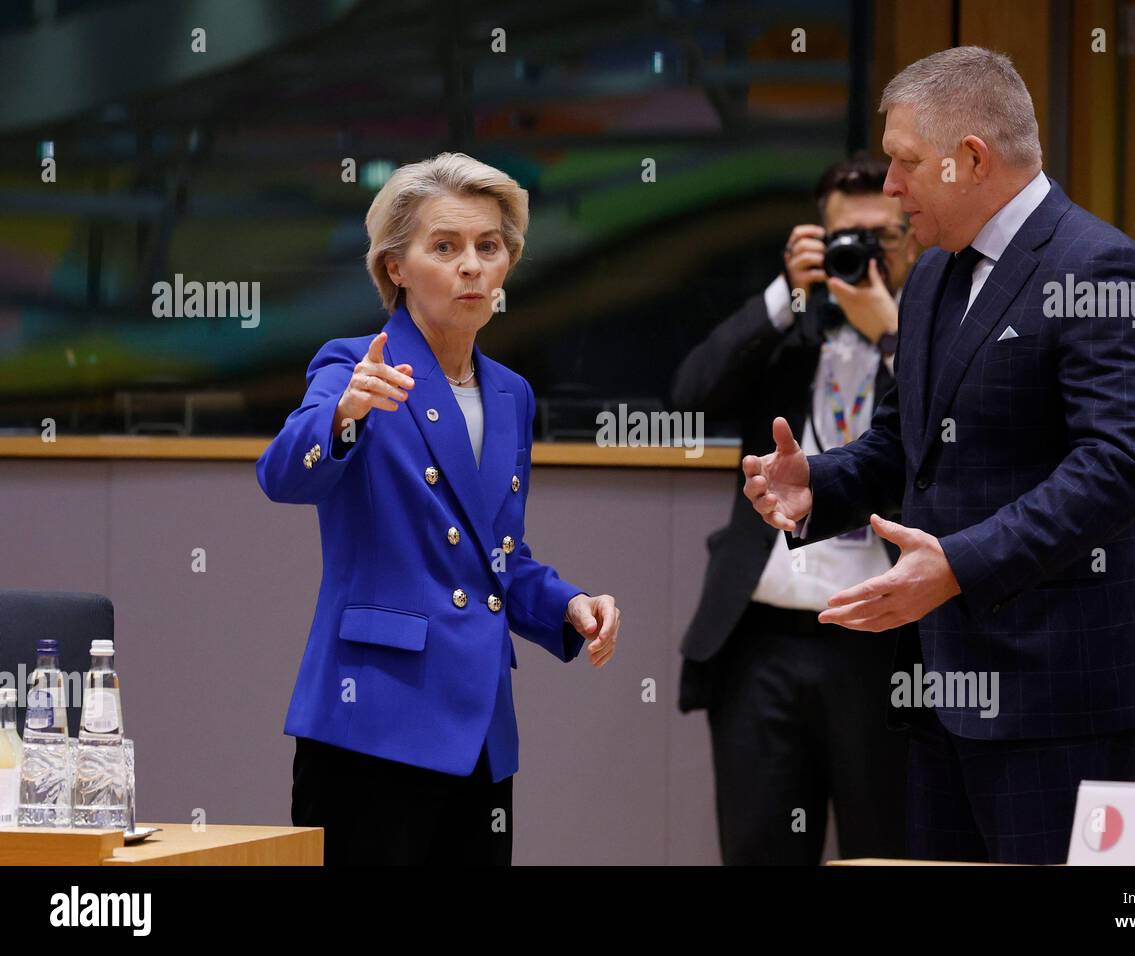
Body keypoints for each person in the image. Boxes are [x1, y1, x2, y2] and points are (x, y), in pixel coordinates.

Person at [743, 47, 1135, 865]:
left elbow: (1116, 466)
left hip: (1058, 693)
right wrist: (815, 488)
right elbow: (906, 444)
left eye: (905, 162)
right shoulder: (936, 272)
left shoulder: (1100, 267)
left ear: (970, 158)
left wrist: (958, 565)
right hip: (940, 686)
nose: (892, 186)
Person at [257, 152, 622, 866]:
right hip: (373, 722)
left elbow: (498, 561)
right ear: (395, 266)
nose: (471, 267)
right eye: (445, 247)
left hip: (479, 731)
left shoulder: (511, 393)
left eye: (489, 247)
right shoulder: (354, 364)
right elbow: (281, 474)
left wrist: (568, 604)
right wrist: (341, 417)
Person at [674, 155, 919, 864]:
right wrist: (787, 291)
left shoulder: (933, 336)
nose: (866, 253)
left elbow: (955, 442)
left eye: (885, 237)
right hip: (760, 643)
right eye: (849, 237)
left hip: (882, 642)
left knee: (887, 850)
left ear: (913, 238)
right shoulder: (788, 335)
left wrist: (891, 333)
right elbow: (689, 395)